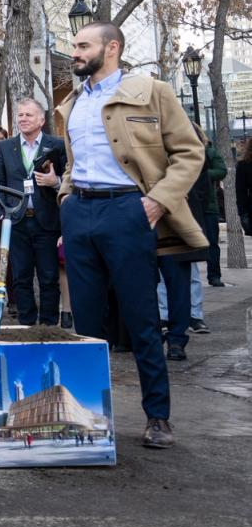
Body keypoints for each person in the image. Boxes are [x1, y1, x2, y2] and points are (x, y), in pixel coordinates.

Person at [55, 22, 204, 450]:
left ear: (112, 48)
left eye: (83, 46)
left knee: (140, 321)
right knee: (86, 326)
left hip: (128, 211)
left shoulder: (152, 91)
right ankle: (92, 422)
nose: (75, 54)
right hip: (79, 213)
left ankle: (158, 417)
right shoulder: (72, 103)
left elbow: (189, 152)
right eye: (75, 47)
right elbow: (73, 161)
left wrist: (157, 201)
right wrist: (66, 196)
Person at [0, 98, 67, 327]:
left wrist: (56, 182)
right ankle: (26, 323)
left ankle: (48, 325)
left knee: (48, 277)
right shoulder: (5, 147)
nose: (23, 119)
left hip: (47, 222)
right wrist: (2, 214)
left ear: (42, 120)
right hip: (16, 222)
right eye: (20, 115)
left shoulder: (57, 145)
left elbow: (68, 182)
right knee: (21, 277)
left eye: (29, 115)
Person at [154, 122, 212, 362]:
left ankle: (177, 338)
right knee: (145, 285)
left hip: (176, 222)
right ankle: (154, 335)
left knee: (178, 284)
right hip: (144, 223)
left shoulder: (187, 143)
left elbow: (199, 176)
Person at [202, 136, 226, 289]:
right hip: (185, 204)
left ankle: (214, 275)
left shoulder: (210, 152)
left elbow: (221, 171)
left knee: (211, 242)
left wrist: (201, 174)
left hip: (208, 205)